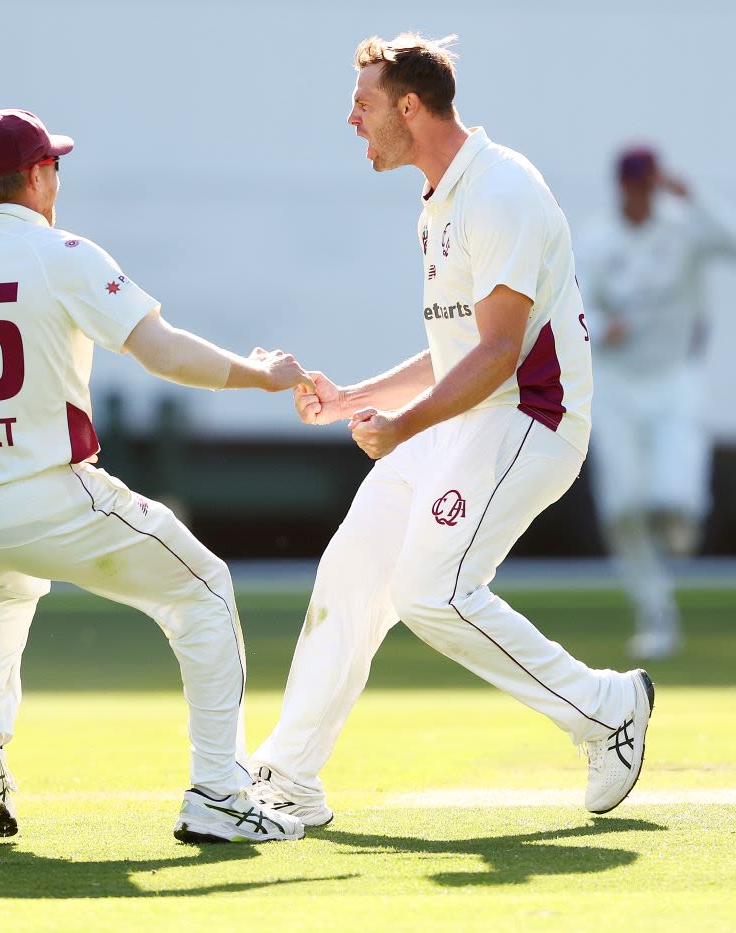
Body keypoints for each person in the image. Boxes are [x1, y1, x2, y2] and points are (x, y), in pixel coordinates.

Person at [247, 34, 654, 828]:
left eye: (362, 105)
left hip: (532, 419)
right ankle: (289, 776)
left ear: (408, 106)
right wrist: (350, 398)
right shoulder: (439, 197)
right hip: (469, 414)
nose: (350, 120)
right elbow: (455, 353)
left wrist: (399, 428)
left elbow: (501, 356)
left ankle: (607, 709)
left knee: (431, 591)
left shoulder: (500, 192)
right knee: (351, 570)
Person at [0, 108, 310, 844]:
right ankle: (220, 789)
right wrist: (260, 375)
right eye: (52, 165)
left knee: (4, 581)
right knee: (206, 586)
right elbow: (162, 353)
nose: (56, 177)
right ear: (34, 176)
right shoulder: (64, 253)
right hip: (48, 496)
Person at [577, 146, 736, 660]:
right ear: (621, 187)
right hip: (616, 384)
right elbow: (575, 302)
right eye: (634, 186)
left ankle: (682, 518)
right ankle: (656, 614)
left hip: (676, 378)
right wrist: (600, 327)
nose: (641, 196)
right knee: (622, 508)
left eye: (648, 186)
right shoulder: (597, 240)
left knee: (673, 497)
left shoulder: (685, 227)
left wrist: (697, 199)